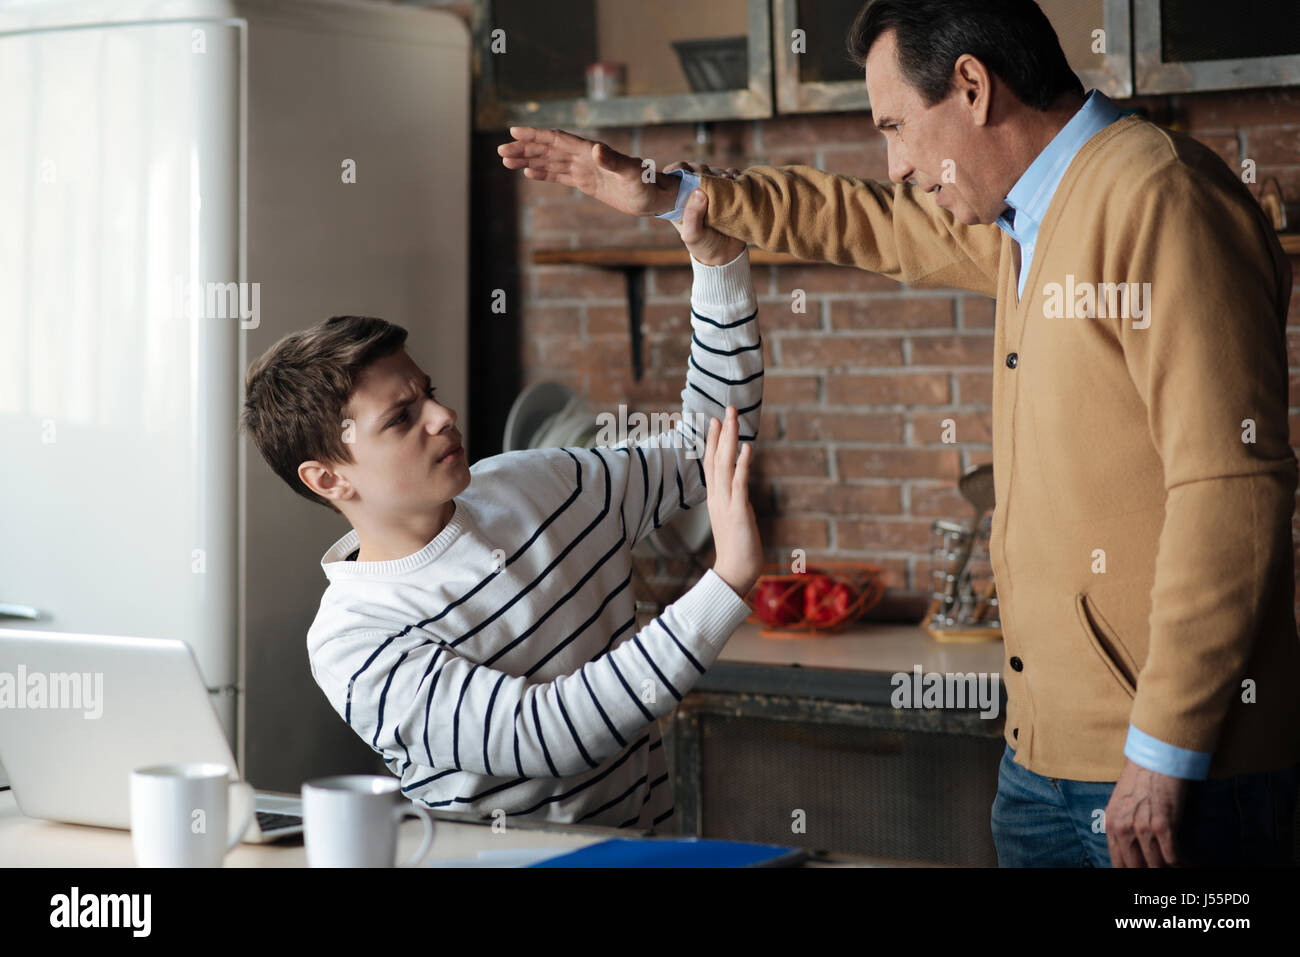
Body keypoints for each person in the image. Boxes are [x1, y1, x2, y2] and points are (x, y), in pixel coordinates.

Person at [498, 0, 1300, 866]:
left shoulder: (1158, 197)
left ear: (972, 86)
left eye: (895, 127)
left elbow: (1232, 490)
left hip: (1169, 779)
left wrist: (1163, 748)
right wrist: (677, 194)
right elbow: (869, 221)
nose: (897, 164)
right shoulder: (1031, 219)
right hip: (1046, 765)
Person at [240, 190, 764, 829]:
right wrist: (725, 584)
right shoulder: (354, 641)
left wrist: (718, 268)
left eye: (428, 395)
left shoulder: (536, 483)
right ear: (328, 478)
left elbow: (701, 445)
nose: (442, 416)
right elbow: (550, 735)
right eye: (403, 418)